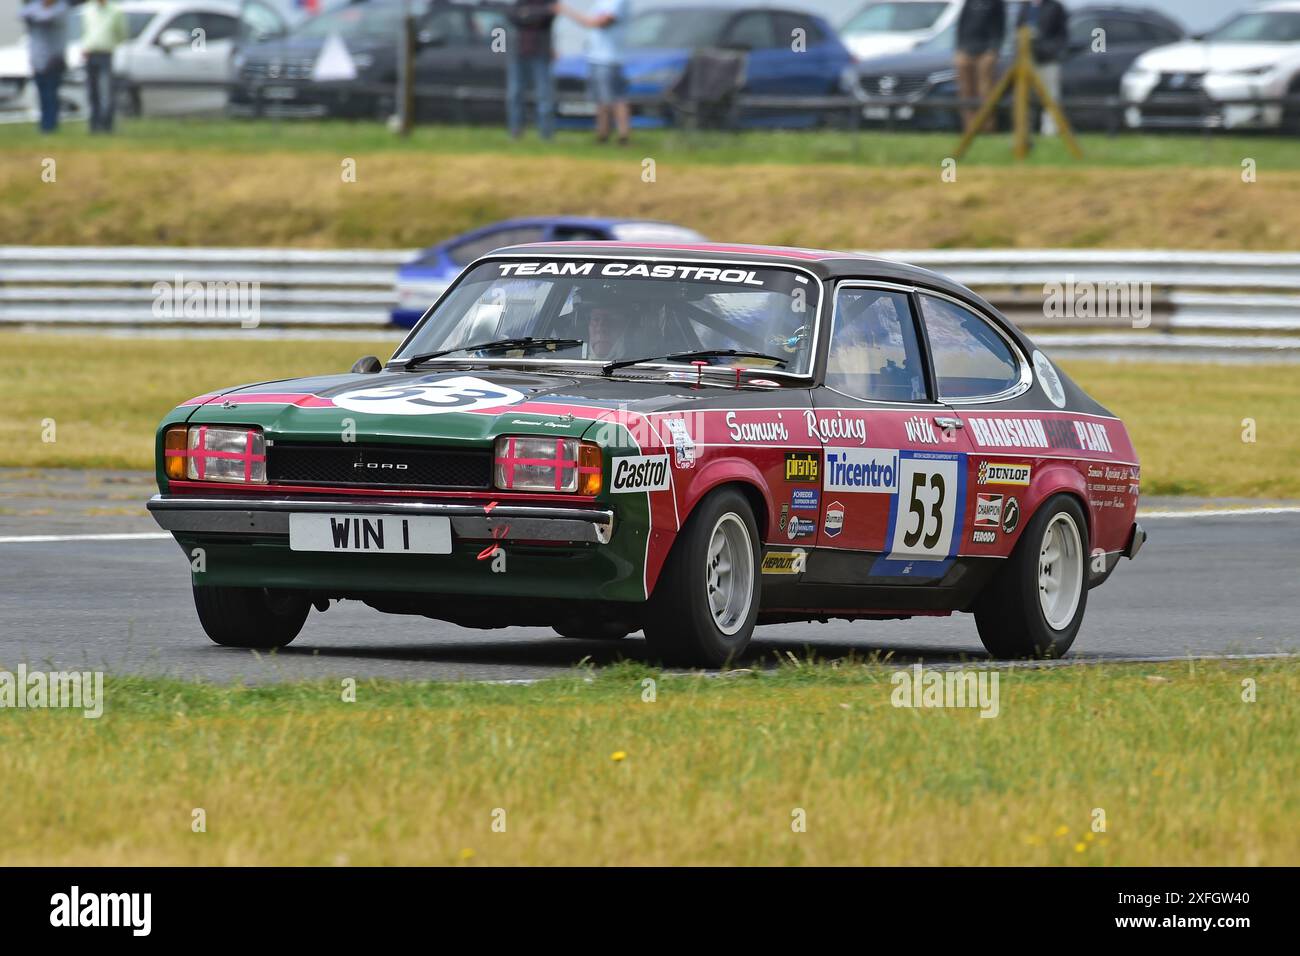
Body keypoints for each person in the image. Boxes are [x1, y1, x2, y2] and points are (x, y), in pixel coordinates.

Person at [560, 0, 630, 145]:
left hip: (607, 59)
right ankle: (607, 135)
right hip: (600, 57)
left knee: (610, 99)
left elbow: (602, 21)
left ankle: (615, 135)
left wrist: (567, 11)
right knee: (607, 99)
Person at [505, 0, 557, 140]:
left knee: (544, 95)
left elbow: (548, 15)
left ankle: (546, 135)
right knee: (515, 94)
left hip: (541, 53)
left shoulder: (549, 2)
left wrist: (526, 15)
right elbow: (511, 15)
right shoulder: (520, 2)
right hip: (519, 53)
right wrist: (533, 16)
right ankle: (516, 133)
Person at [1017, 0, 1069, 135]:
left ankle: (1050, 132)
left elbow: (1062, 34)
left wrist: (1051, 50)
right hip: (1027, 59)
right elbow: (1018, 29)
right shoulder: (1025, 7)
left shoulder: (1055, 7)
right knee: (1025, 99)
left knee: (1050, 97)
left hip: (1047, 60)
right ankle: (1024, 132)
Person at [954, 0, 1005, 134]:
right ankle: (969, 128)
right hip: (966, 49)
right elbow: (962, 24)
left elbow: (1000, 25)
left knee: (986, 92)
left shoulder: (996, 2)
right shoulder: (969, 2)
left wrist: (994, 49)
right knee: (966, 92)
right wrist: (960, 47)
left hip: (986, 51)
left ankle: (987, 129)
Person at [22, 0, 70, 133]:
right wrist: (39, 12)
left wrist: (37, 15)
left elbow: (47, 17)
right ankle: (44, 125)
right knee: (42, 94)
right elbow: (22, 14)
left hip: (53, 60)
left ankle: (50, 126)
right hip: (38, 60)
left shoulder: (61, 7)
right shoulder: (36, 6)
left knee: (51, 94)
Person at [81, 0, 129, 133]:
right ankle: (94, 125)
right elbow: (86, 31)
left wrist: (111, 44)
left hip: (106, 54)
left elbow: (121, 34)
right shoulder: (88, 9)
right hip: (90, 54)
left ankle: (107, 125)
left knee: (106, 91)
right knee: (92, 91)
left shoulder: (115, 11)